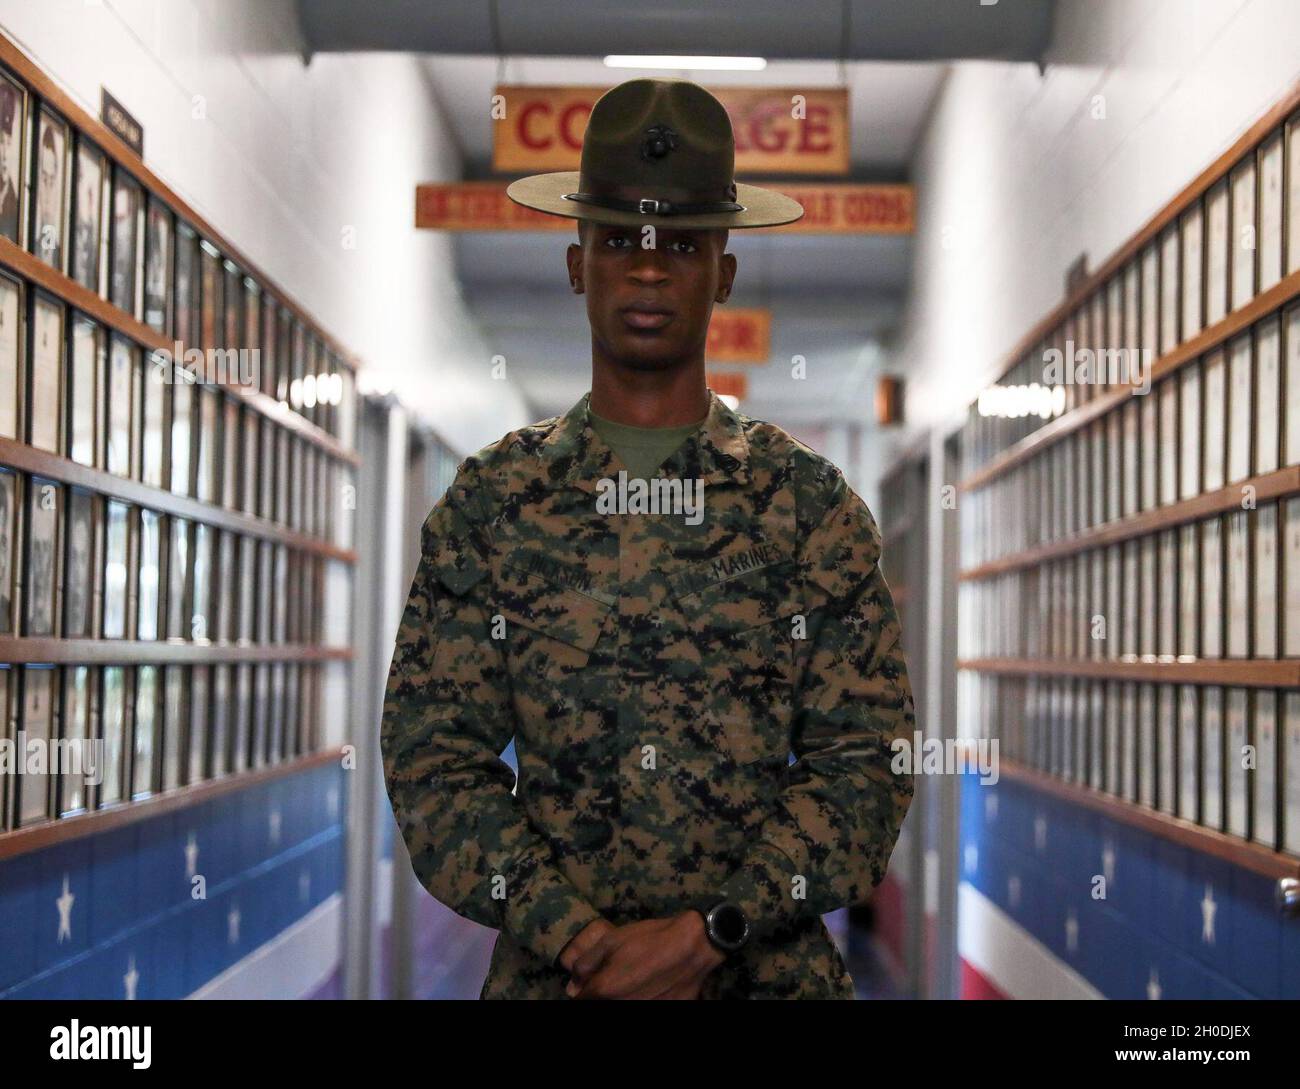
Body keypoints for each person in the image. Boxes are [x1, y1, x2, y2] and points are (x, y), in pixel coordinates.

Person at [380, 77, 915, 1000]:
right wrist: (580, 938)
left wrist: (715, 930)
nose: (651, 268)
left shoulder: (807, 509)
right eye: (621, 237)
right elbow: (433, 760)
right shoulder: (494, 506)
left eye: (683, 243)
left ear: (726, 272)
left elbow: (866, 763)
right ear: (578, 262)